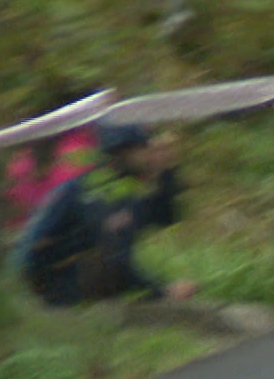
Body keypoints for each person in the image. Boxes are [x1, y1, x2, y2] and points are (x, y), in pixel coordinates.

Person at [13, 123, 197, 306]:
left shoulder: (118, 188)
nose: (151, 156)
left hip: (68, 275)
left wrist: (164, 172)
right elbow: (115, 258)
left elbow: (165, 217)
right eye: (146, 150)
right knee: (104, 265)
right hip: (48, 283)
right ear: (125, 152)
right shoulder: (96, 192)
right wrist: (162, 292)